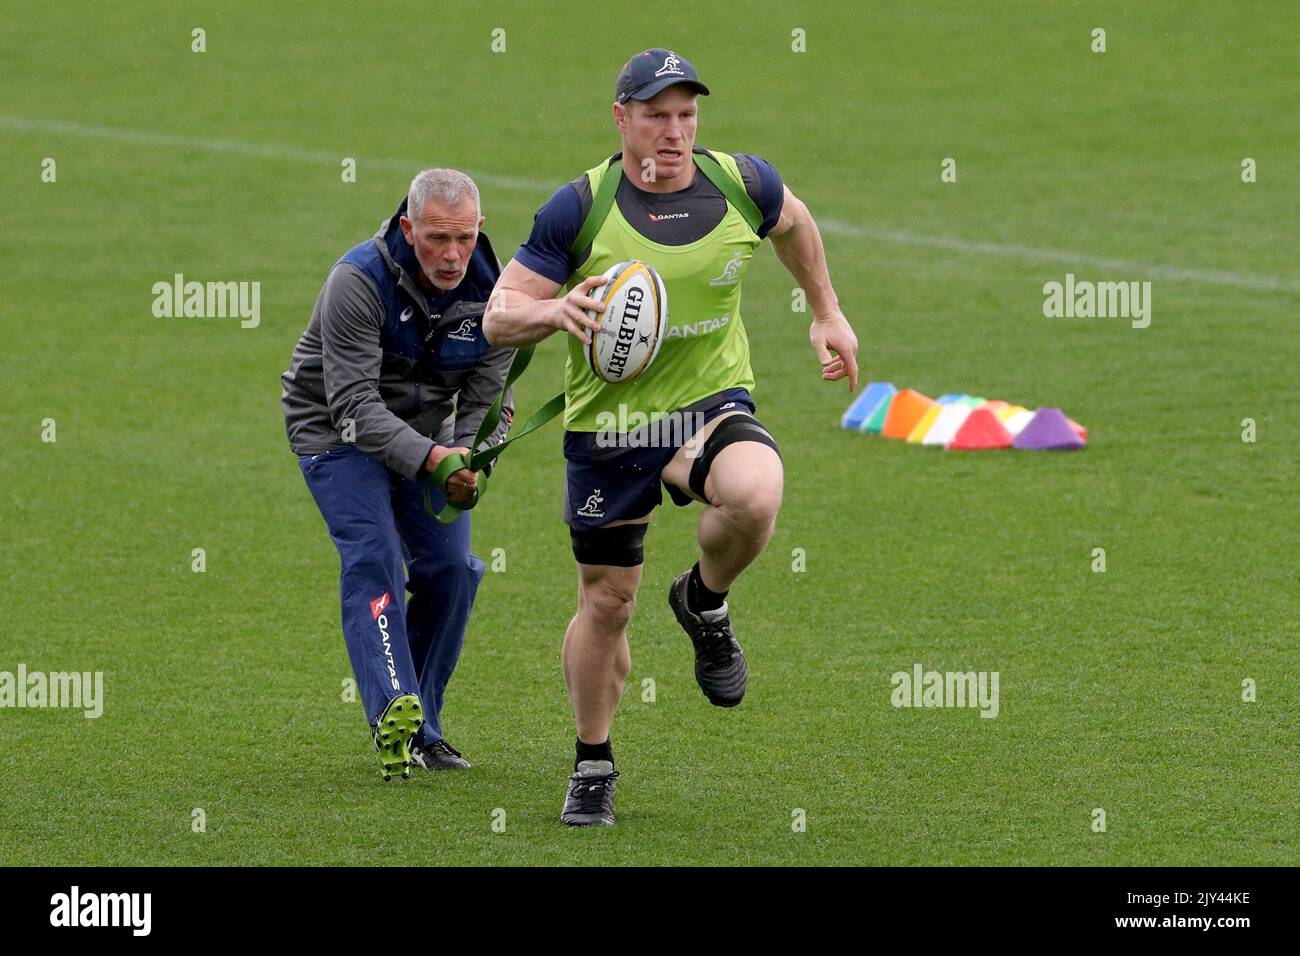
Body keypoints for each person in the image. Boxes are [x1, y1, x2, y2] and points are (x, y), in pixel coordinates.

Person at [483, 49, 858, 824]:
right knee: (608, 601)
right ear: (622, 118)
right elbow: (497, 315)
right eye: (656, 115)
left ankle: (704, 602)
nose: (674, 131)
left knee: (756, 494)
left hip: (707, 405)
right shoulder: (579, 206)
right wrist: (554, 312)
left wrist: (825, 310)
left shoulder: (739, 183)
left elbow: (794, 219)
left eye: (686, 114)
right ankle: (593, 761)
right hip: (610, 426)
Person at [282, 169, 514, 780]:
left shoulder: (501, 295)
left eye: (464, 238)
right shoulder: (356, 281)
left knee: (453, 572)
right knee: (375, 557)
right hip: (335, 431)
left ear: (479, 229)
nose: (451, 254)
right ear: (408, 228)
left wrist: (468, 460)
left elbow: (490, 404)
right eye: (437, 238)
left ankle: (423, 729)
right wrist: (437, 459)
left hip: (429, 433)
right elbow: (354, 408)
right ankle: (393, 711)